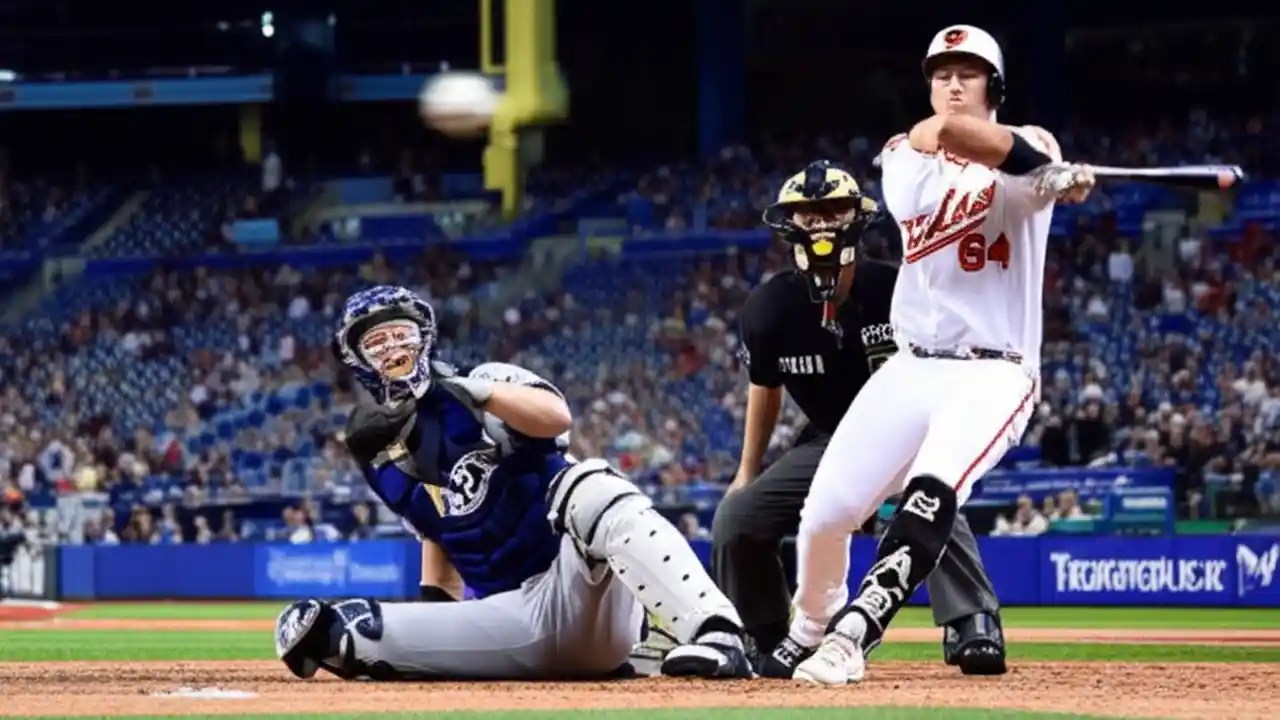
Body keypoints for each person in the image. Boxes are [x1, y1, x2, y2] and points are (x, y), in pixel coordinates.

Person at [779, 24, 1096, 685]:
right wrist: (1038, 173)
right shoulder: (905, 155)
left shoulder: (1035, 146)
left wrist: (1053, 178)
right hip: (913, 364)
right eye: (942, 72)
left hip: (994, 371)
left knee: (929, 493)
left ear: (994, 86)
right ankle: (808, 627)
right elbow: (947, 139)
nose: (953, 83)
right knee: (825, 516)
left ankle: (853, 635)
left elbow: (1022, 154)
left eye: (969, 72)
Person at [273, 286, 752, 681]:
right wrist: (435, 619)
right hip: (511, 619)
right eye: (376, 342)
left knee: (589, 481)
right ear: (358, 358)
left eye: (401, 333)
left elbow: (556, 419)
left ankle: (716, 632)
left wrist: (474, 392)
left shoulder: (483, 384)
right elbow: (440, 553)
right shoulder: (383, 457)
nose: (393, 348)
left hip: (576, 584)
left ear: (425, 338)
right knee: (344, 627)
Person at [712, 161, 1007, 677]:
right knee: (737, 519)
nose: (822, 223)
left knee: (931, 491)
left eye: (833, 210)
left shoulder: (901, 289)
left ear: (859, 218)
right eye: (809, 213)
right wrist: (745, 473)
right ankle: (770, 635)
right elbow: (765, 390)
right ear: (789, 226)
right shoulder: (767, 309)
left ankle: (972, 620)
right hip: (827, 440)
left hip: (902, 435)